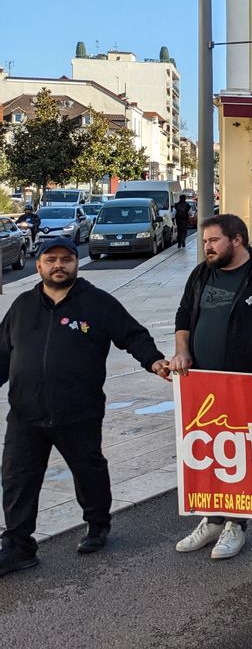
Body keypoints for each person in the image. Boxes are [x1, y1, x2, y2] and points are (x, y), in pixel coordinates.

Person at [0, 238, 169, 576]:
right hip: (25, 413)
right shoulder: (22, 305)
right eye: (51, 259)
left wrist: (153, 361)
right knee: (17, 478)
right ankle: (18, 546)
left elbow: (133, 335)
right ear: (39, 265)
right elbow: (2, 354)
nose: (58, 265)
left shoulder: (97, 302)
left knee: (88, 469)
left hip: (79, 410)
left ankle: (97, 524)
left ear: (77, 263)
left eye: (66, 259)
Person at [171, 214, 252, 560]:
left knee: (239, 455)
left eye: (214, 240)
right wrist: (182, 351)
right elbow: (184, 316)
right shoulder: (201, 275)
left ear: (237, 239)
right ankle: (212, 519)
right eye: (205, 242)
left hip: (244, 384)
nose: (207, 247)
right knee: (207, 453)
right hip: (201, 385)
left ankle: (236, 525)